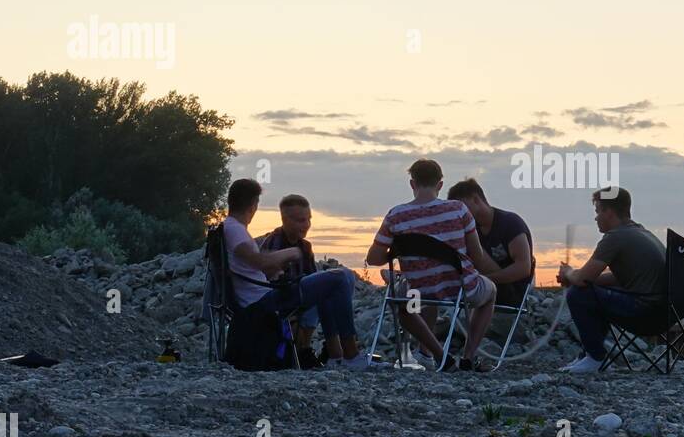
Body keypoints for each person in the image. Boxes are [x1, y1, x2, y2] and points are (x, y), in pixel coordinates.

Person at [222, 178, 369, 369]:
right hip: (262, 301)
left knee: (336, 280)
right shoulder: (235, 229)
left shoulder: (230, 228)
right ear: (253, 205)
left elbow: (258, 266)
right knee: (340, 277)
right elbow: (260, 261)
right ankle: (350, 356)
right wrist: (292, 252)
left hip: (264, 295)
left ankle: (337, 356)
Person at [366, 159, 497, 371]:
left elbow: (373, 259)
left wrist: (399, 251)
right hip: (460, 289)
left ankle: (439, 357)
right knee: (490, 291)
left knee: (405, 306)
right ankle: (468, 357)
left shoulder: (396, 215)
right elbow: (477, 255)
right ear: (440, 185)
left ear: (412, 184)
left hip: (419, 291)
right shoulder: (459, 210)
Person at [557, 186, 666, 373]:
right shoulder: (641, 233)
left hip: (644, 313)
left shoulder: (615, 237)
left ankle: (595, 357)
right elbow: (620, 277)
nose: (596, 218)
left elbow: (582, 280)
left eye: (598, 211)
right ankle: (588, 356)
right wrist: (586, 279)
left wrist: (568, 273)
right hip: (664, 312)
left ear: (609, 212)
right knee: (592, 293)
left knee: (578, 294)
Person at [447, 178, 535, 307]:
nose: (459, 214)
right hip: (483, 289)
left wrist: (483, 280)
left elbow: (523, 269)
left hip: (511, 291)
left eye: (461, 208)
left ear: (476, 199)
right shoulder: (471, 228)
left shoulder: (510, 223)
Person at [257, 193, 321, 368]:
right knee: (319, 300)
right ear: (285, 219)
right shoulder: (274, 242)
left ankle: (330, 351)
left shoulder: (305, 246)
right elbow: (270, 278)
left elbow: (312, 276)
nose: (306, 225)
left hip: (298, 294)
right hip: (278, 297)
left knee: (326, 294)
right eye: (300, 220)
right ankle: (303, 350)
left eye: (308, 219)